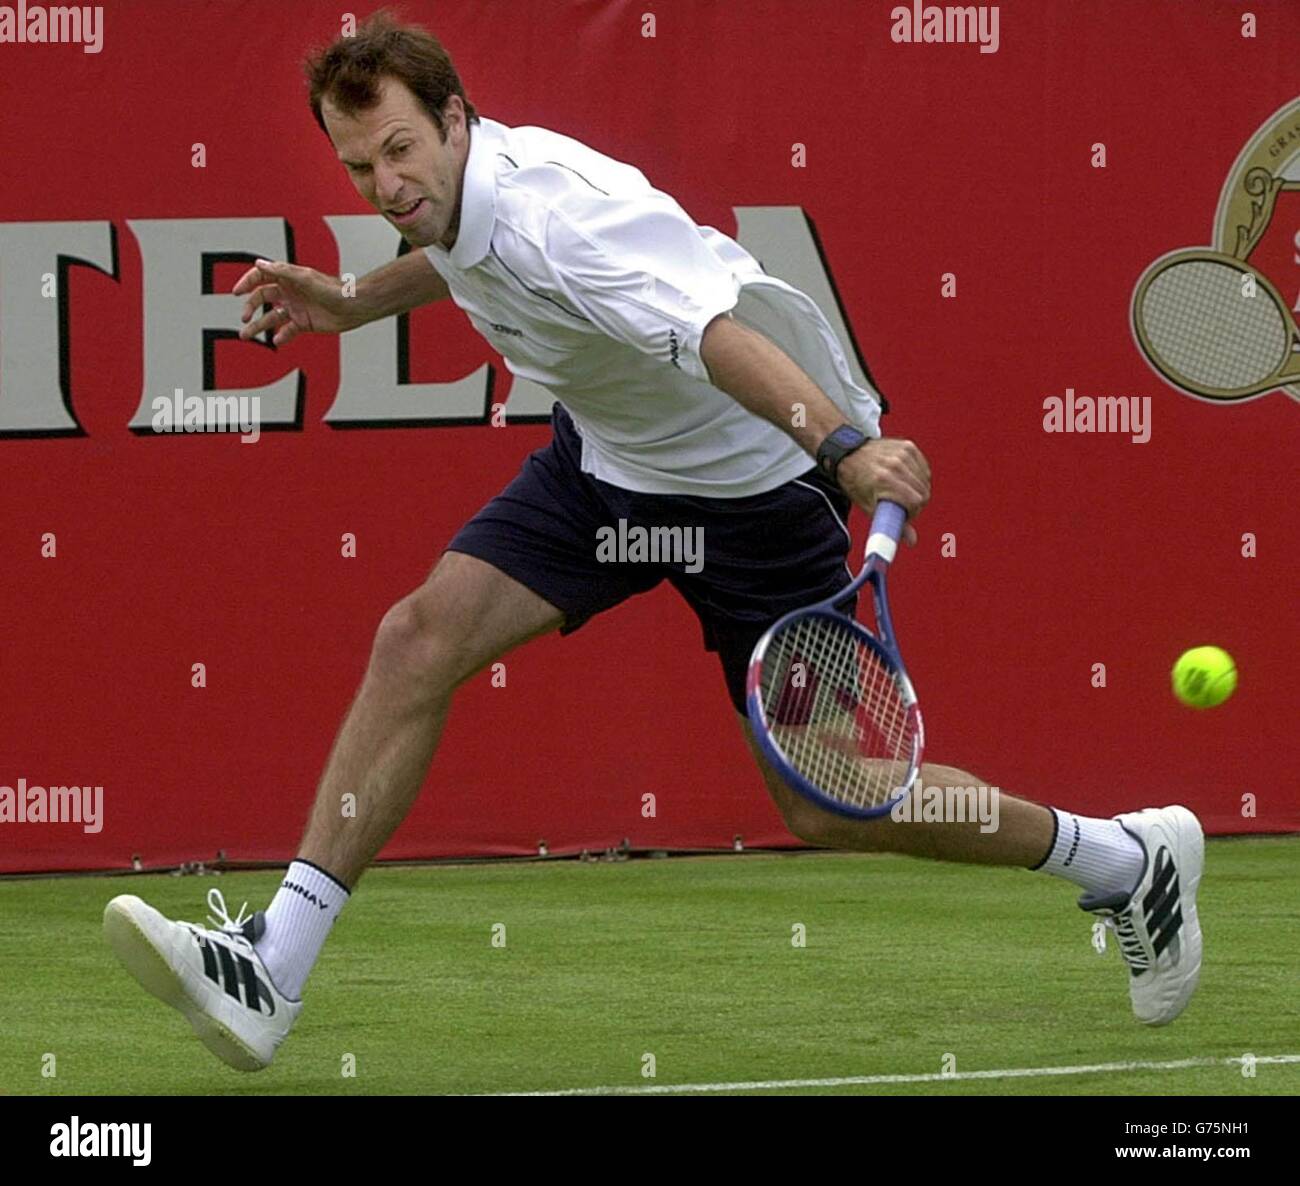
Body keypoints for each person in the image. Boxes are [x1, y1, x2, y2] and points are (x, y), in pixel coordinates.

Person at [103, 13, 1203, 1072]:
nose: (387, 184)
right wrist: (348, 300)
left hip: (753, 495)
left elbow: (716, 333)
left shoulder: (558, 216)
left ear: (454, 118)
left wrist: (844, 450)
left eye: (399, 150)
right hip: (606, 471)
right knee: (415, 639)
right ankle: (271, 969)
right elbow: (453, 253)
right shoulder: (459, 202)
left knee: (829, 800)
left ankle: (1120, 855)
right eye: (358, 169)